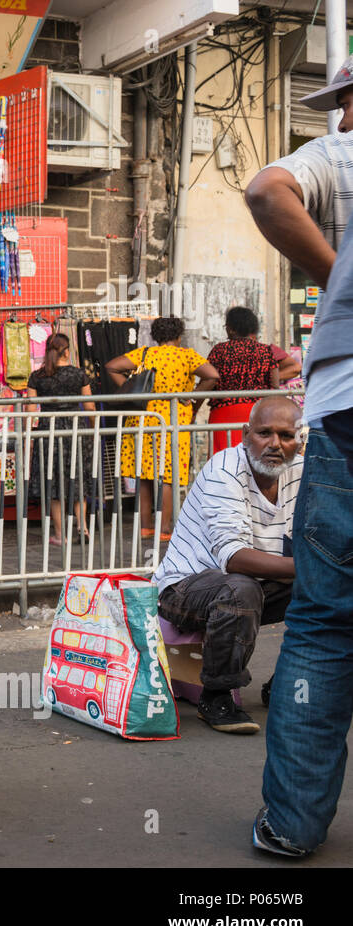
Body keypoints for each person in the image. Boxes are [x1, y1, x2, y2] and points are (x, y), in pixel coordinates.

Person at [246, 60, 353, 856]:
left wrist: (338, 276)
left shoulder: (341, 154)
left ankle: (292, 823)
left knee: (323, 621)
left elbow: (264, 191)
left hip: (350, 410)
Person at [151, 397, 301, 734]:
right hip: (183, 587)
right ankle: (216, 695)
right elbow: (234, 559)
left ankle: (288, 683)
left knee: (335, 589)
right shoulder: (225, 469)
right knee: (241, 588)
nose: (275, 445)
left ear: (299, 439)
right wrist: (312, 567)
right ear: (246, 435)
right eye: (264, 433)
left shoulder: (304, 472)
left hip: (254, 582)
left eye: (285, 436)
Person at [106, 316, 219, 539]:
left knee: (145, 474)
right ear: (179, 336)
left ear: (156, 336)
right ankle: (165, 528)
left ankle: (145, 527)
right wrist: (192, 398)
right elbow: (212, 375)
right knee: (168, 475)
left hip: (145, 417)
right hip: (173, 419)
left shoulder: (145, 354)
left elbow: (112, 366)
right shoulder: (187, 356)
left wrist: (132, 392)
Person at [27, 333, 96, 545]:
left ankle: (59, 535)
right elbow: (90, 406)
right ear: (67, 351)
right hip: (76, 428)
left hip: (49, 431)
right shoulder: (79, 375)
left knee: (53, 482)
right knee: (79, 481)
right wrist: (93, 429)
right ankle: (82, 527)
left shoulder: (37, 376)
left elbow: (30, 410)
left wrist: (29, 437)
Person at [205, 307, 291, 455]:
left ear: (231, 329)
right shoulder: (265, 351)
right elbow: (275, 385)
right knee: (256, 460)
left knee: (223, 460)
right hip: (258, 414)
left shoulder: (219, 350)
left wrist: (193, 408)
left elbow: (209, 379)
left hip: (224, 413)